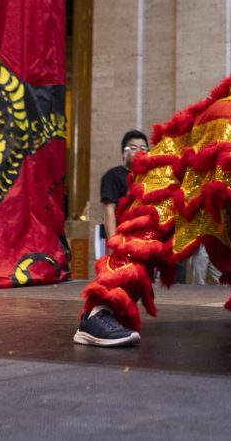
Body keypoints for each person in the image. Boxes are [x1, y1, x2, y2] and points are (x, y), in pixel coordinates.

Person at [75, 130, 149, 347]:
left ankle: (113, 315)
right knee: (115, 276)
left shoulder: (150, 178)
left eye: (143, 148)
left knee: (135, 280)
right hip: (121, 238)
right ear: (123, 153)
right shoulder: (114, 176)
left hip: (144, 240)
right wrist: (114, 241)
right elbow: (109, 210)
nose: (139, 152)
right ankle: (94, 318)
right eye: (133, 148)